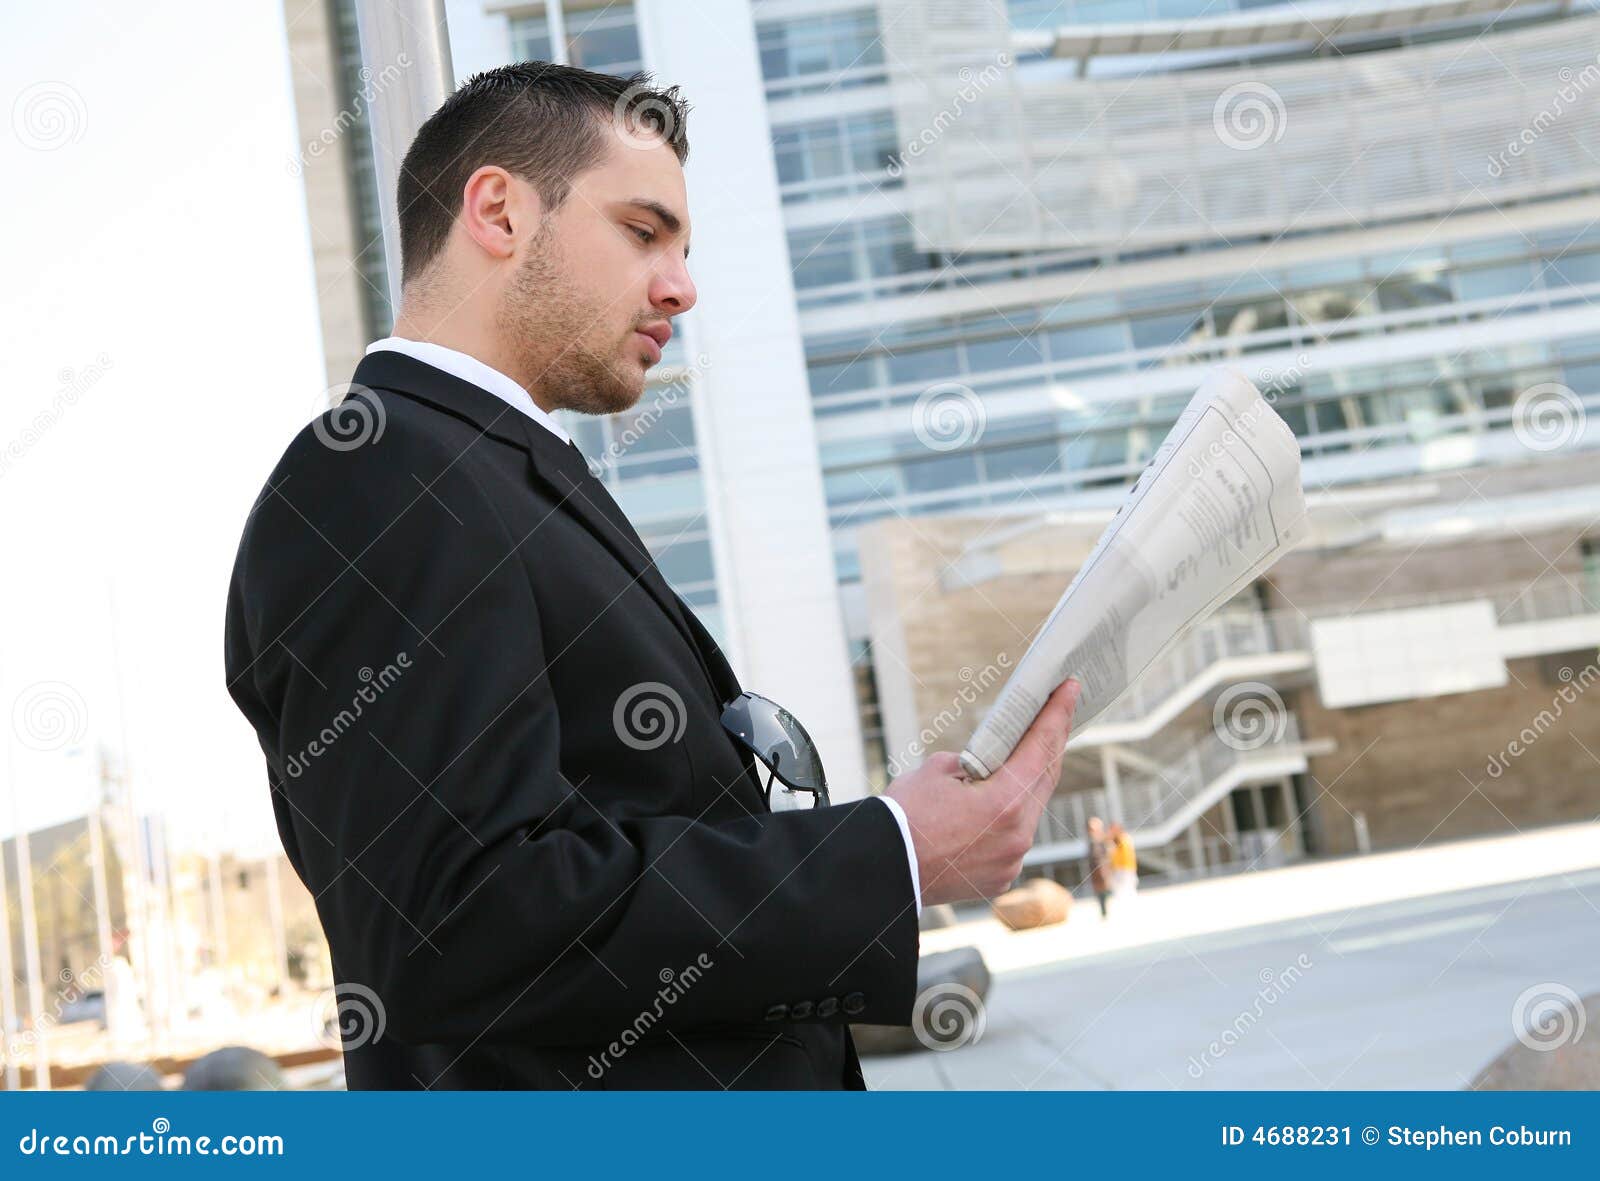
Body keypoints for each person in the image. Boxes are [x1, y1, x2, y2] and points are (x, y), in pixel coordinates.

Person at [224, 62, 1081, 1090]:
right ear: (497, 210)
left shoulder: (482, 470)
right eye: (643, 231)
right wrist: (889, 854)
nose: (681, 285)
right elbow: (461, 917)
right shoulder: (382, 475)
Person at [1086, 816, 1113, 919]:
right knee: (1099, 891)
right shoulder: (1092, 841)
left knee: (1105, 890)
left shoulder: (1102, 840)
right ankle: (1103, 911)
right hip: (1095, 869)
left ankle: (1105, 910)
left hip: (1103, 868)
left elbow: (1107, 853)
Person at [1109, 821, 1138, 911]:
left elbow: (1127, 855)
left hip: (1126, 868)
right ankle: (1124, 907)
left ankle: (1130, 907)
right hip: (1118, 869)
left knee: (1128, 888)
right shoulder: (1114, 841)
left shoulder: (1124, 839)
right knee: (1119, 890)